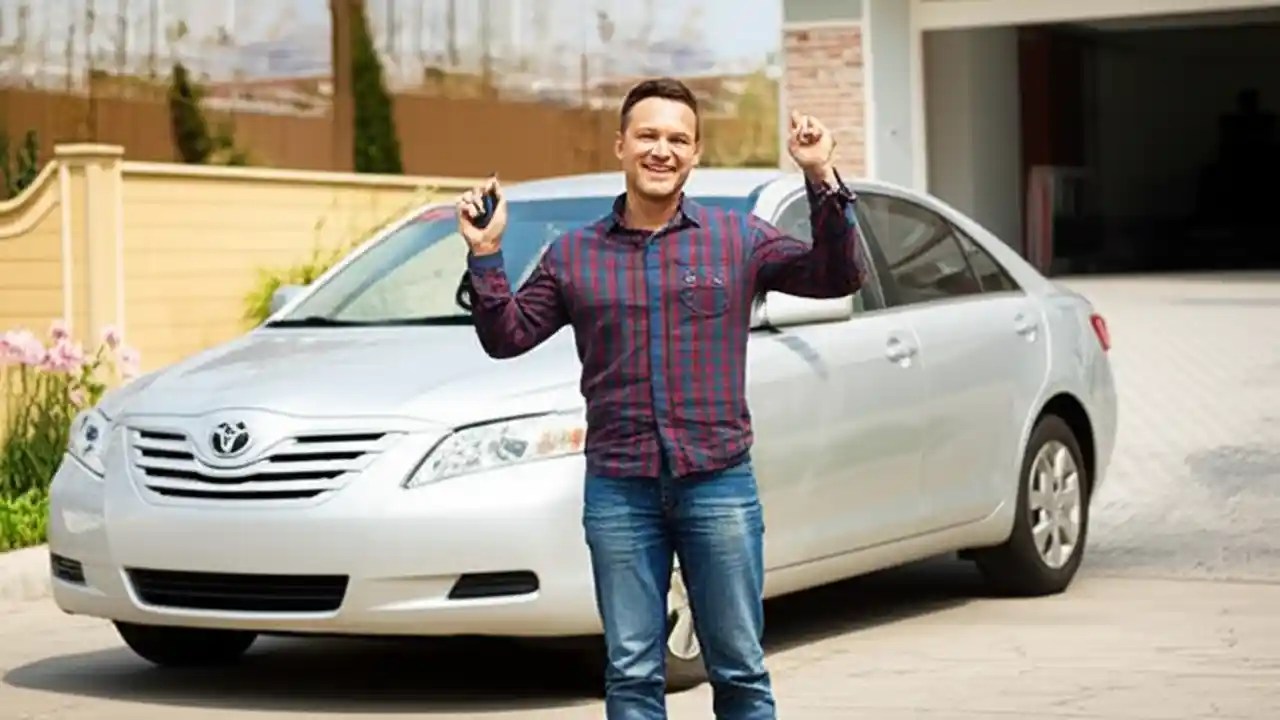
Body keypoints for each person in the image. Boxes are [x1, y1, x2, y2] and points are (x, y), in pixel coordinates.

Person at [453, 77, 864, 720]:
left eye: (677, 139)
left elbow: (838, 275)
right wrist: (486, 253)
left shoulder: (738, 240)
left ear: (695, 152)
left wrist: (819, 175)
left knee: (740, 670)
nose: (661, 150)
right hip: (620, 489)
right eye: (647, 135)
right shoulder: (574, 255)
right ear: (621, 145)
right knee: (632, 672)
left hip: (718, 483)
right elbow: (507, 337)